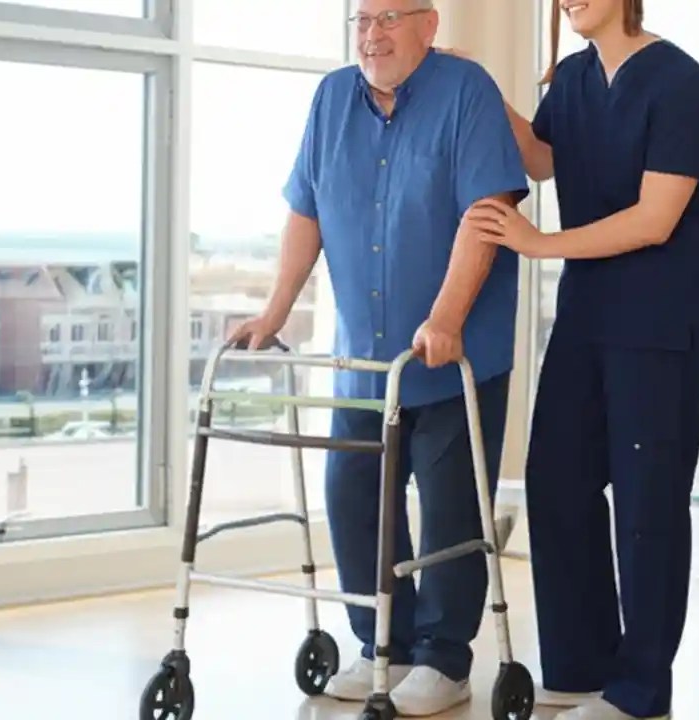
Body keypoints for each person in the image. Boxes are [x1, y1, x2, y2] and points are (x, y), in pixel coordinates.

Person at [227, 0, 530, 715]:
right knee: (354, 498)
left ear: (429, 25)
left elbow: (486, 212)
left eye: (390, 18)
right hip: (364, 359)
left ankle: (445, 660)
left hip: (453, 356)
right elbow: (307, 209)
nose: (372, 34)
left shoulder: (466, 92)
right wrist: (275, 312)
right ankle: (379, 644)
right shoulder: (332, 98)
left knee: (450, 513)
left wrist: (446, 318)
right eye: (362, 20)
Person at [460, 1, 699, 718]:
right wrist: (483, 89)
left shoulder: (681, 84)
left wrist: (539, 244)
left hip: (658, 321)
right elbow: (545, 159)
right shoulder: (573, 79)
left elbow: (656, 218)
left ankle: (641, 690)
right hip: (586, 317)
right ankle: (580, 668)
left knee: (647, 504)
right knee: (556, 482)